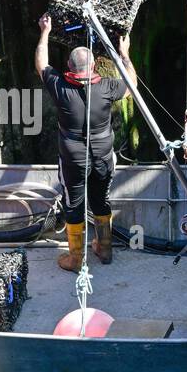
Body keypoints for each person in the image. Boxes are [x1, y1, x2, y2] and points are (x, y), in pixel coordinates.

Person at [35, 15, 136, 271]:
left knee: (74, 204)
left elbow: (41, 63)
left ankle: (76, 259)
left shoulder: (60, 87)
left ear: (69, 65)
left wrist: (45, 31)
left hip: (73, 159)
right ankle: (104, 249)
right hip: (103, 155)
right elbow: (132, 85)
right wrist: (124, 54)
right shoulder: (107, 88)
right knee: (101, 200)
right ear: (93, 67)